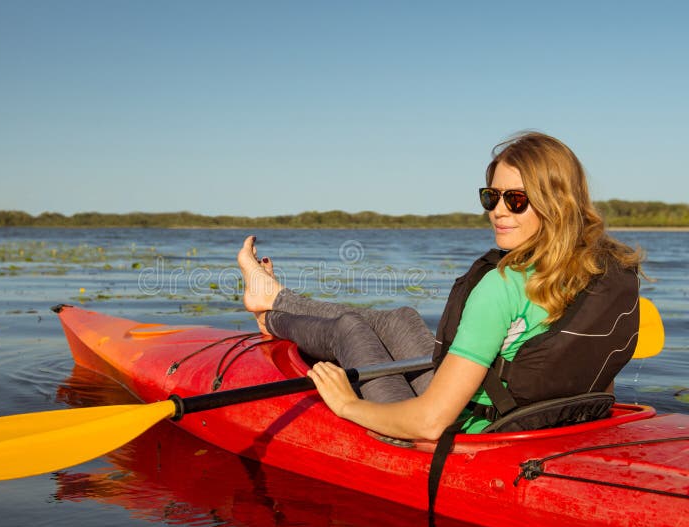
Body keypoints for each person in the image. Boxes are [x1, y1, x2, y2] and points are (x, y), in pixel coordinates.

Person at [236, 131, 641, 441]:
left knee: (349, 330)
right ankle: (274, 297)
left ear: (555, 203)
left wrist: (346, 405)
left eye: (516, 200)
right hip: (532, 417)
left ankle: (272, 318)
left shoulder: (501, 287)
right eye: (492, 197)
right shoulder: (605, 270)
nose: (498, 212)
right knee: (401, 319)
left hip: (468, 430)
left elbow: (430, 423)